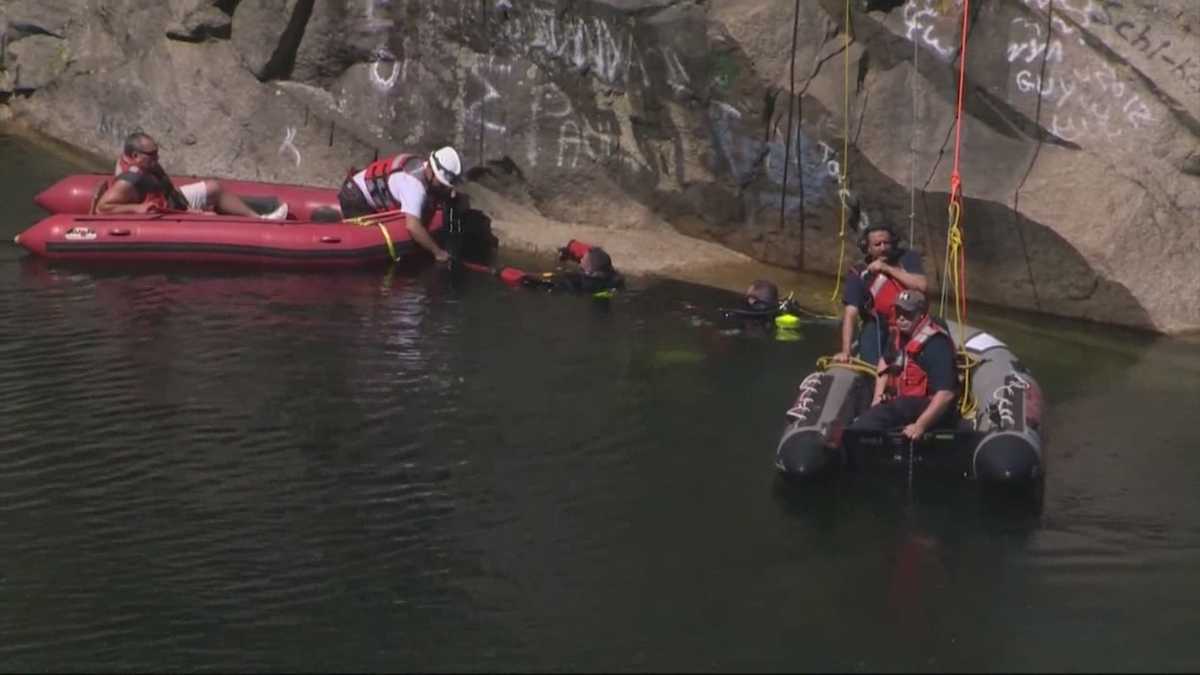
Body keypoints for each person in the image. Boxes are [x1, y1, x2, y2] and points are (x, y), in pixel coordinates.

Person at [95, 132, 288, 220]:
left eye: (157, 152)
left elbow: (165, 189)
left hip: (172, 202)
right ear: (135, 156)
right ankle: (260, 221)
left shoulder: (146, 165)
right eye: (152, 155)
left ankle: (257, 215)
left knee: (214, 187)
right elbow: (102, 208)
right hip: (166, 214)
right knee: (211, 218)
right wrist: (137, 209)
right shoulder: (129, 179)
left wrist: (186, 207)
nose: (157, 157)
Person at [849, 289, 957, 441]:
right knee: (864, 392)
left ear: (921, 314)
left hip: (924, 404)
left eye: (907, 313)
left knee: (896, 407)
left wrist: (920, 425)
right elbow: (885, 362)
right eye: (898, 311)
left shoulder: (936, 344)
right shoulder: (899, 335)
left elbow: (946, 394)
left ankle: (855, 435)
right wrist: (877, 397)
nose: (900, 318)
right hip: (902, 400)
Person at [338, 146, 464, 263]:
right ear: (431, 172)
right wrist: (438, 252)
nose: (443, 188)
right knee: (370, 253)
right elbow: (413, 227)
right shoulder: (414, 187)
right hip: (355, 198)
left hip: (362, 187)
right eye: (442, 184)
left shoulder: (419, 165)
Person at [834, 222, 928, 366]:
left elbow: (922, 285)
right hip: (878, 325)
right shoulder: (858, 272)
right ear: (868, 248)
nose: (883, 248)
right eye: (878, 244)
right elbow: (850, 313)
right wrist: (845, 351)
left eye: (887, 243)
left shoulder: (908, 257)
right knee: (870, 356)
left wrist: (886, 268)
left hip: (911, 319)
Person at [495, 239, 624, 294]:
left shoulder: (578, 280)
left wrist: (518, 275)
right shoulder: (614, 277)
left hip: (567, 289)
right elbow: (597, 258)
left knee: (531, 282)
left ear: (589, 270)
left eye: (582, 260)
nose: (581, 259)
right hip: (599, 286)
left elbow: (546, 278)